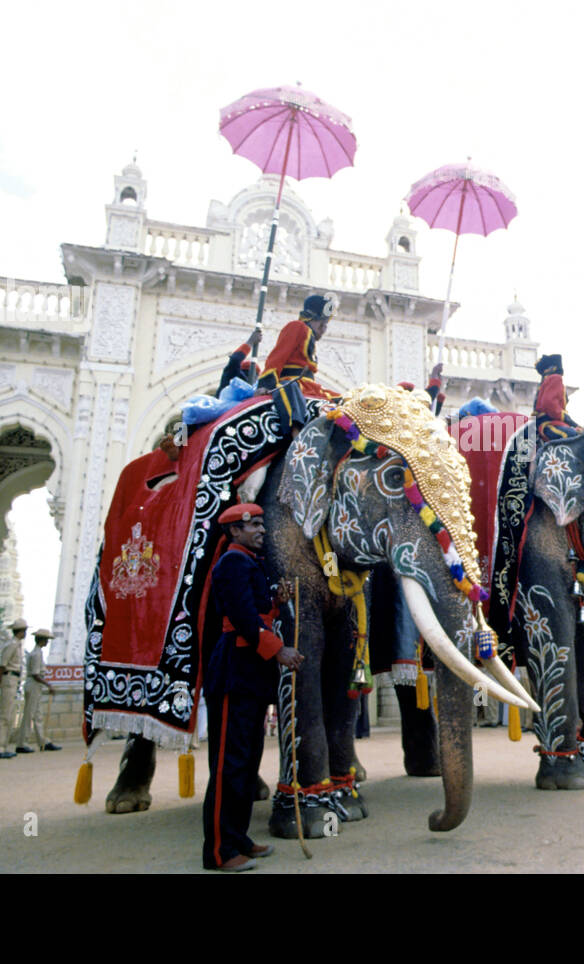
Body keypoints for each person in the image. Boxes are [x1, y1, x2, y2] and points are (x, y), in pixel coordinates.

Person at [202, 502, 303, 872]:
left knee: (245, 763)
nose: (261, 530)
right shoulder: (231, 563)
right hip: (235, 673)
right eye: (253, 525)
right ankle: (219, 851)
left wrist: (277, 602)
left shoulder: (250, 564)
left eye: (262, 524)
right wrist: (280, 651)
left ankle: (238, 838)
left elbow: (259, 612)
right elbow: (244, 618)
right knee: (229, 765)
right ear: (234, 531)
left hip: (252, 675)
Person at [258, 293, 340, 432]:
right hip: (293, 384)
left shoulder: (310, 337)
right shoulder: (296, 327)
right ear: (315, 319)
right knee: (288, 388)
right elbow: (277, 357)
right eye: (323, 322)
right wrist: (265, 385)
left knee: (344, 401)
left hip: (311, 387)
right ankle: (296, 436)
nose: (324, 328)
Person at [15, 630, 61, 753]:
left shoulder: (37, 652)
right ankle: (22, 743)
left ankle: (43, 741)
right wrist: (48, 685)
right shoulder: (36, 654)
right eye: (45, 640)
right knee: (29, 714)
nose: (47, 642)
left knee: (38, 714)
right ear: (41, 640)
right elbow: (35, 674)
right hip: (34, 684)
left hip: (35, 685)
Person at [0, 619, 28, 759]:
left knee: (9, 714)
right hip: (8, 678)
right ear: (21, 631)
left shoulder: (17, 645)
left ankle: (2, 746)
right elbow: (2, 665)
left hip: (14, 679)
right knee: (4, 714)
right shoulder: (11, 645)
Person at [532, 354, 580, 441]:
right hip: (549, 424)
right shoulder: (555, 378)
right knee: (573, 437)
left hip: (543, 423)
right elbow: (550, 404)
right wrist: (568, 420)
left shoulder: (544, 382)